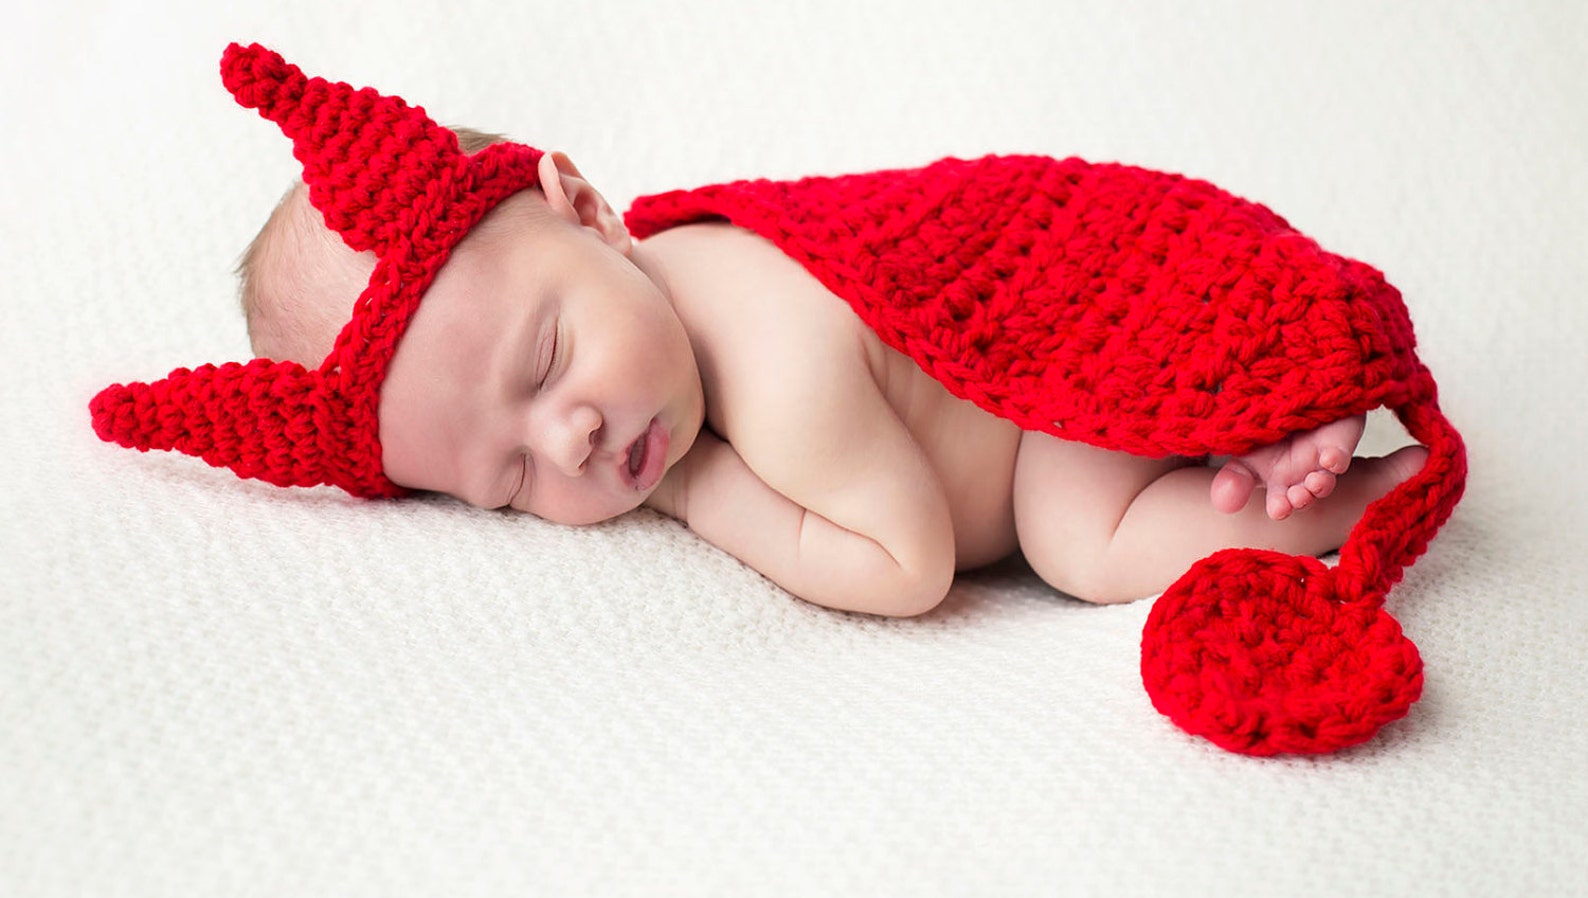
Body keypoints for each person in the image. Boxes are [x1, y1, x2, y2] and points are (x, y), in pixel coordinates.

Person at [237, 126, 1426, 617]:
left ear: (592, 209)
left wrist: (700, 488)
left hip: (1116, 304)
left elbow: (906, 566)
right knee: (1066, 472)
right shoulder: (668, 272)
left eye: (546, 360)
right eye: (506, 477)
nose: (569, 441)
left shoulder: (773, 357)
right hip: (1098, 338)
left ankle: (1348, 483)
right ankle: (1251, 429)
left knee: (1073, 530)